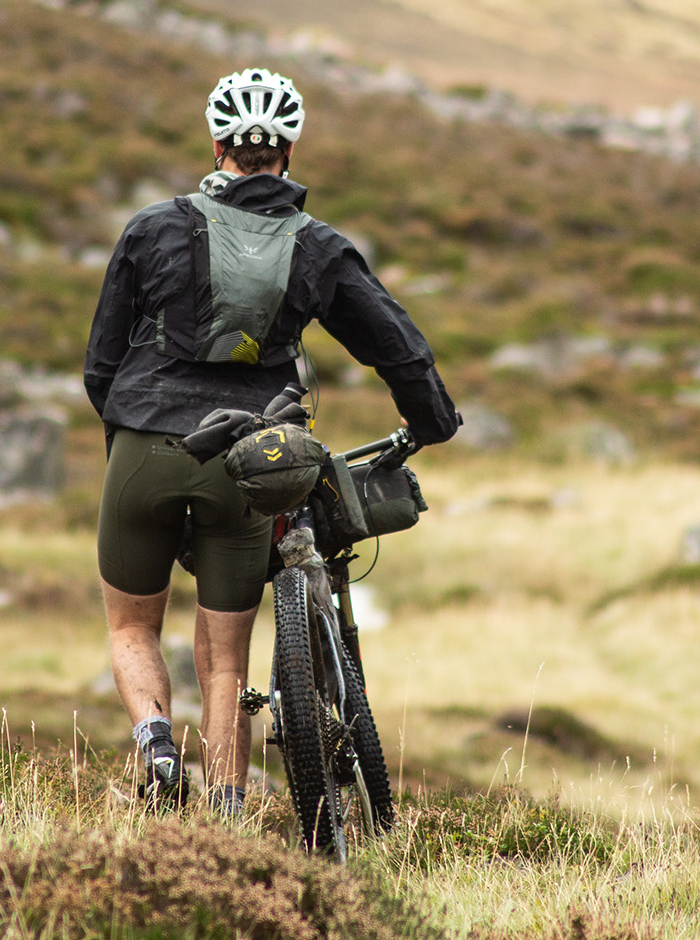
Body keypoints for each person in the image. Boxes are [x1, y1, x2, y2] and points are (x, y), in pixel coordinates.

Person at [84, 67, 460, 817]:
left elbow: (101, 363)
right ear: (287, 150)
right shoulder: (316, 246)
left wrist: (133, 426)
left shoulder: (153, 227)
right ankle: (226, 805)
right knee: (226, 657)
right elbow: (396, 345)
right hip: (250, 461)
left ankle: (156, 742)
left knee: (132, 623)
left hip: (143, 449)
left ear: (217, 142)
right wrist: (433, 421)